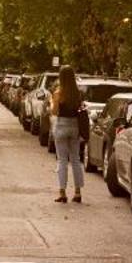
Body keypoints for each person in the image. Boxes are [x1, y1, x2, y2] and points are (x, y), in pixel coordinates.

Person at [51, 66, 86, 203]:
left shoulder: (58, 93)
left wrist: (52, 103)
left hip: (61, 126)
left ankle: (62, 192)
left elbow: (54, 112)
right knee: (76, 160)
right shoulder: (78, 93)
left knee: (62, 160)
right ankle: (77, 192)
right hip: (74, 126)